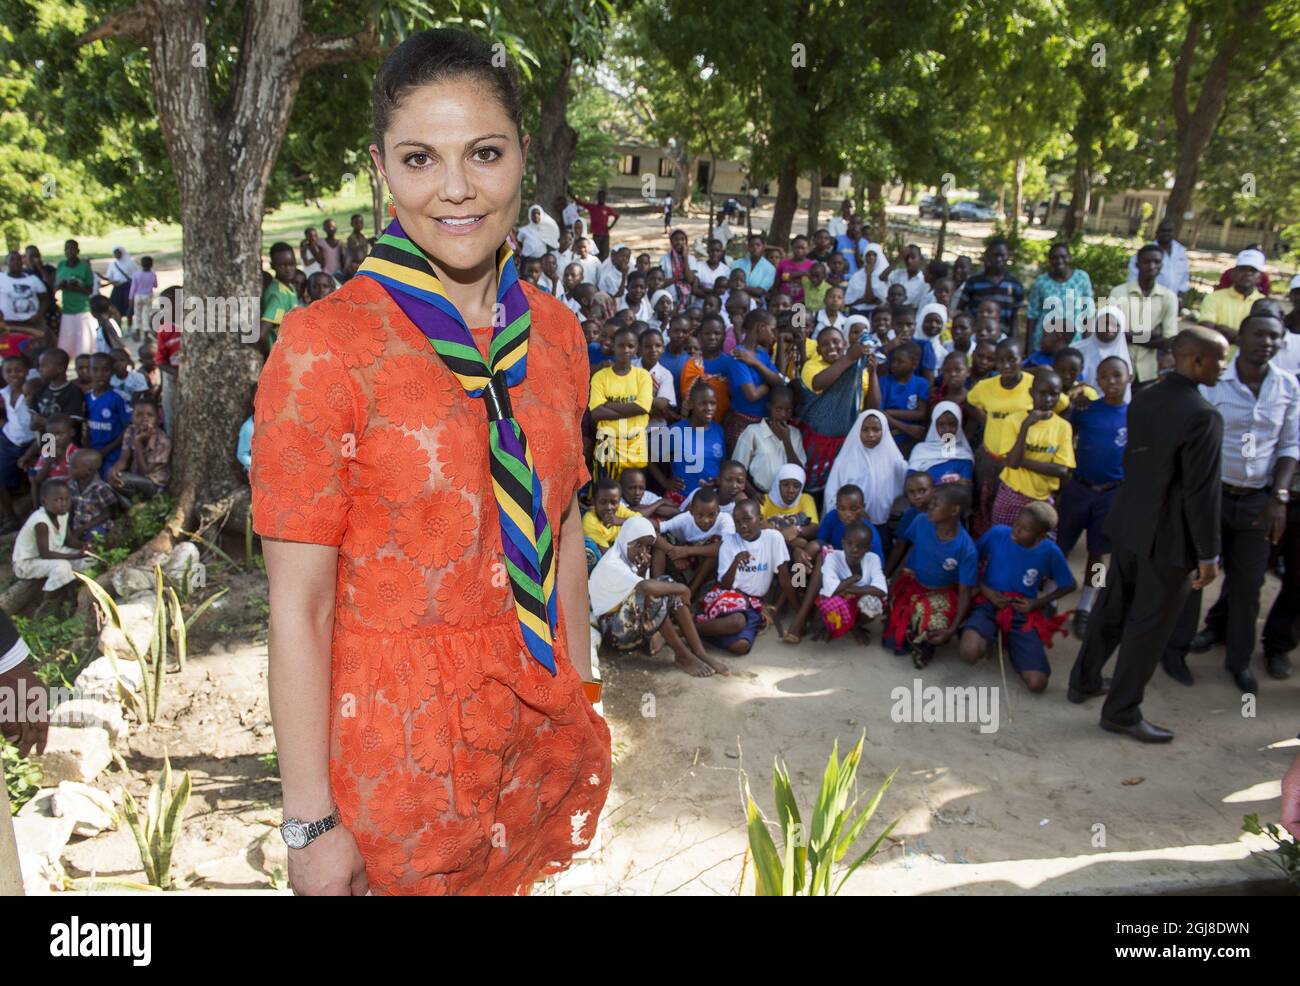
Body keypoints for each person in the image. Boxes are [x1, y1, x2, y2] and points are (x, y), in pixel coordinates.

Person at [253, 29, 609, 896]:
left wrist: (581, 696)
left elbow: (560, 528)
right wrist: (312, 823)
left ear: (525, 154)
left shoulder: (558, 336)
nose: (456, 190)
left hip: (531, 723)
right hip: (394, 759)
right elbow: (299, 605)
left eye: (484, 153)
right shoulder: (323, 347)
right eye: (420, 159)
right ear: (381, 168)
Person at [1068, 327, 1228, 744]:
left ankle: (1083, 681)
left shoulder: (1146, 397)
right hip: (1169, 539)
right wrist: (1208, 554)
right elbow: (1201, 491)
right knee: (1148, 627)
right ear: (1195, 360)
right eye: (1219, 359)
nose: (1223, 367)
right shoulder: (1203, 416)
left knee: (1111, 608)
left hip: (1127, 524)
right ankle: (1122, 711)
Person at [1161, 316, 1299, 691]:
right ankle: (1175, 649)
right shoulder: (1213, 382)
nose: (1266, 342)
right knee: (1194, 575)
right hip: (1210, 496)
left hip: (1258, 501)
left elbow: (1289, 445)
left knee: (1248, 585)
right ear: (1242, 337)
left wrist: (1279, 497)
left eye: (1275, 336)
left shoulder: (1287, 387)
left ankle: (1238, 661)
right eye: (1259, 334)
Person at [958, 502, 1075, 692]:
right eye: (1016, 524)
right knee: (968, 653)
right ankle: (989, 636)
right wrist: (985, 589)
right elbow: (969, 560)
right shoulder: (997, 534)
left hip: (1021, 611)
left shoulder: (1050, 552)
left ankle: (1011, 644)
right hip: (988, 601)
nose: (1016, 531)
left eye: (1025, 530)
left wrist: (1037, 603)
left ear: (1041, 536)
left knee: (1038, 683)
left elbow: (1069, 585)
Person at [590, 515, 728, 677]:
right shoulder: (613, 562)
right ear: (625, 539)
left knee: (665, 589)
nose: (643, 551)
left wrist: (642, 571)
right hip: (614, 631)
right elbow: (645, 588)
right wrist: (682, 588)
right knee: (663, 588)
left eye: (647, 547)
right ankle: (683, 655)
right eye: (638, 545)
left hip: (630, 622)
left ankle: (700, 652)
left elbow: (641, 591)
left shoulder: (631, 559)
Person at [1056, 355, 1130, 639]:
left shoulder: (1134, 415)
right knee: (1061, 544)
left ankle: (1086, 605)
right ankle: (1050, 592)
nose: (1111, 381)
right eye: (1104, 376)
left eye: (1117, 375)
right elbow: (1063, 435)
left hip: (1111, 494)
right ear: (1096, 381)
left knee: (1097, 555)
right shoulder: (1085, 410)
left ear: (1129, 378)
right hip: (1079, 488)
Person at [885, 483, 977, 668]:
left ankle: (928, 635)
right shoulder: (920, 521)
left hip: (940, 592)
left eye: (936, 503)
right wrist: (890, 585)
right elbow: (908, 553)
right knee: (892, 643)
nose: (929, 505)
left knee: (929, 626)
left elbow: (965, 591)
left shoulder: (966, 548)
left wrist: (951, 630)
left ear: (954, 510)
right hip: (912, 583)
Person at [695, 499, 796, 654]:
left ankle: (702, 630)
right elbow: (725, 586)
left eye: (748, 519)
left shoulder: (773, 538)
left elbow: (784, 578)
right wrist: (736, 562)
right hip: (729, 596)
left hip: (753, 604)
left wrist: (799, 610)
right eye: (738, 522)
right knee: (737, 621)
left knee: (741, 647)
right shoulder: (729, 541)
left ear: (761, 519)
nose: (742, 525)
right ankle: (685, 631)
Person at [990, 368, 1073, 528]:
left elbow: (1061, 470)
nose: (1048, 399)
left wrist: (1023, 461)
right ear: (1031, 392)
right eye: (1042, 393)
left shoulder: (1063, 427)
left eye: (1054, 394)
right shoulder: (1013, 420)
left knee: (1037, 543)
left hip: (1042, 498)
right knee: (1003, 537)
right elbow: (1012, 464)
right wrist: (1026, 426)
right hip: (1012, 493)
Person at [787, 521, 887, 645]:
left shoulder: (873, 559)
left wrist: (847, 589)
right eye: (849, 544)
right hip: (835, 599)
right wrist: (853, 580)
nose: (854, 550)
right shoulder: (831, 557)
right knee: (830, 603)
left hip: (853, 600)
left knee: (874, 604)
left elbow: (881, 590)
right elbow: (829, 591)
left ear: (868, 548)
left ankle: (853, 626)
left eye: (860, 546)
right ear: (843, 543)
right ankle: (809, 619)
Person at [824, 409, 907, 528]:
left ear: (884, 431)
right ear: (858, 431)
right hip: (848, 524)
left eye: (876, 429)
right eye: (865, 430)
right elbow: (831, 493)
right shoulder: (844, 460)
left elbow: (904, 485)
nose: (871, 434)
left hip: (881, 522)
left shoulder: (894, 459)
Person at [589, 325, 652, 480]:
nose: (626, 350)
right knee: (604, 499)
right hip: (606, 446)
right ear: (614, 347)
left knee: (633, 499)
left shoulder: (643, 376)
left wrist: (608, 404)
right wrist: (632, 409)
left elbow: (643, 407)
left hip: (635, 447)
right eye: (621, 345)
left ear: (637, 348)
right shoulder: (600, 376)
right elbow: (596, 413)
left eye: (630, 346)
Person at [1109, 243, 1178, 386]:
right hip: (1119, 364)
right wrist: (1152, 336)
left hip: (1149, 370)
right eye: (1147, 261)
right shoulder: (1118, 293)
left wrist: (1132, 335)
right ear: (1137, 264)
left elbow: (1169, 339)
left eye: (1157, 262)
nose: (1152, 266)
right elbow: (1113, 333)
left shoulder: (1168, 297)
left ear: (1161, 266)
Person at [651, 486, 734, 598]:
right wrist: (673, 551)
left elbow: (727, 546)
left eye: (711, 515)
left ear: (718, 511)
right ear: (691, 511)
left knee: (717, 545)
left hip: (706, 570)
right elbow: (653, 532)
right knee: (661, 540)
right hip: (682, 564)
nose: (706, 520)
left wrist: (687, 551)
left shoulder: (725, 519)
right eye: (700, 515)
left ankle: (691, 592)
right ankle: (657, 592)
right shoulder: (684, 519)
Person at [733, 384, 805, 497]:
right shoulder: (753, 432)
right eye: (778, 409)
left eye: (788, 410)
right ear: (769, 407)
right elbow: (737, 469)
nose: (783, 414)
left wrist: (787, 441)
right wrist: (753, 493)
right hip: (760, 493)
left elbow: (799, 471)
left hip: (788, 497)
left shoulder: (795, 434)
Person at [1026, 242, 1093, 353]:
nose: (1059, 261)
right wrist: (1028, 347)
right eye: (1054, 258)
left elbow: (1088, 312)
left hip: (1074, 342)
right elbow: (1032, 314)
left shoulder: (1081, 278)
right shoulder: (1041, 282)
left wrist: (1087, 343)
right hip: (1045, 342)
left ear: (1070, 258)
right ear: (1049, 260)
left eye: (1063, 257)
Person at [1198, 249, 1267, 345]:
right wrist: (1245, 340)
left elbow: (1262, 339)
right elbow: (1206, 330)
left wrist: (1221, 328)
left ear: (1259, 278)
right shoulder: (1213, 298)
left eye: (1253, 270)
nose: (1247, 274)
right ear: (1233, 274)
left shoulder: (1264, 303)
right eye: (1243, 269)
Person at [107, 396, 171, 497]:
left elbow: (146, 471)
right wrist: (114, 470)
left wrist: (138, 443)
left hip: (154, 484)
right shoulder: (130, 431)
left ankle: (137, 504)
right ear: (132, 418)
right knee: (112, 479)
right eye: (139, 415)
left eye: (150, 415)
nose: (144, 419)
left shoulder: (163, 441)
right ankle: (133, 506)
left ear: (158, 419)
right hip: (135, 478)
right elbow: (124, 459)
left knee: (123, 479)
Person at [960, 238, 1024, 337]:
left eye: (1002, 255)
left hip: (1003, 337)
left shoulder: (1015, 284)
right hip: (978, 335)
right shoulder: (973, 282)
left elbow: (1014, 318)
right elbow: (961, 309)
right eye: (995, 255)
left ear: (1008, 256)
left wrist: (1013, 339)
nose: (998, 259)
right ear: (988, 256)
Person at [908, 400, 974, 487]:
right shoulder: (920, 451)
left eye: (952, 424)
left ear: (959, 425)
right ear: (934, 426)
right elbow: (911, 483)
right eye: (941, 425)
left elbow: (966, 488)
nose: (947, 430)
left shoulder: (964, 454)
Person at [84, 353, 131, 475]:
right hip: (92, 452)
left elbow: (128, 429)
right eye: (95, 369)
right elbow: (85, 427)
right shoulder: (86, 397)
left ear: (112, 372)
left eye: (105, 370)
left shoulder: (118, 398)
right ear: (89, 371)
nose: (100, 374)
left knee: (110, 479)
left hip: (113, 453)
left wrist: (106, 450)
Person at [0, 250, 49, 356]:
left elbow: (44, 299)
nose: (16, 262)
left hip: (33, 323)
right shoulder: (1, 278)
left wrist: (37, 316)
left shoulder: (33, 279)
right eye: (12, 259)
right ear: (6, 262)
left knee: (35, 351)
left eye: (18, 259)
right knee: (12, 352)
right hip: (10, 324)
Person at [1127, 218, 1189, 301]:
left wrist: (1180, 297)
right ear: (1157, 232)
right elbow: (1133, 276)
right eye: (1163, 230)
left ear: (1174, 233)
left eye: (1169, 231)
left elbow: (1184, 276)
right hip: (1150, 298)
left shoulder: (1180, 251)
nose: (1166, 233)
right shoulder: (1147, 252)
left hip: (1173, 299)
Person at [54, 240, 96, 359]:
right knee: (66, 346)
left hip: (82, 309)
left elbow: (89, 290)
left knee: (84, 346)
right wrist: (61, 285)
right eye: (67, 249)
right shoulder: (61, 265)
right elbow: (56, 286)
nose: (69, 252)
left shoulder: (84, 267)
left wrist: (76, 287)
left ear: (77, 251)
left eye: (72, 249)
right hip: (67, 309)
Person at [66, 448, 117, 545]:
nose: (69, 469)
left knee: (95, 535)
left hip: (96, 525)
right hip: (78, 524)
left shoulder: (100, 488)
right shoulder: (71, 485)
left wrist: (83, 529)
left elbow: (108, 514)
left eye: (74, 467)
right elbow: (71, 509)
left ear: (88, 471)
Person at [260, 242, 300, 350]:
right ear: (273, 266)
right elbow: (261, 335)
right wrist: (271, 358)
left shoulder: (290, 286)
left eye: (291, 264)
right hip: (281, 355)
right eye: (282, 265)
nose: (288, 269)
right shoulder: (278, 296)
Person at [576, 189, 619, 260]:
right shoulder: (593, 207)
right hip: (596, 235)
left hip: (605, 235)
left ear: (605, 198)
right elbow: (581, 203)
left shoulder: (607, 209)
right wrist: (571, 194)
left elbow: (617, 216)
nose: (602, 198)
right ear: (598, 197)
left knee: (605, 254)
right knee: (595, 253)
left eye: (603, 197)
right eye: (600, 196)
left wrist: (610, 227)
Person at [731, 233, 775, 300]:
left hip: (757, 304)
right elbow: (730, 284)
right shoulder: (737, 263)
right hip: (735, 299)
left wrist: (740, 287)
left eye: (758, 245)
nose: (755, 248)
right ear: (748, 247)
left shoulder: (770, 269)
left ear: (763, 247)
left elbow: (760, 291)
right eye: (752, 245)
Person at [127, 256, 157, 336]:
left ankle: (137, 332)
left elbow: (133, 287)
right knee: (146, 314)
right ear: (151, 265)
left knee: (137, 314)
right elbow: (155, 285)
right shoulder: (153, 274)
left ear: (141, 264)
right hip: (148, 296)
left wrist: (130, 298)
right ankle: (146, 333)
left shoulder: (136, 274)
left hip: (137, 296)